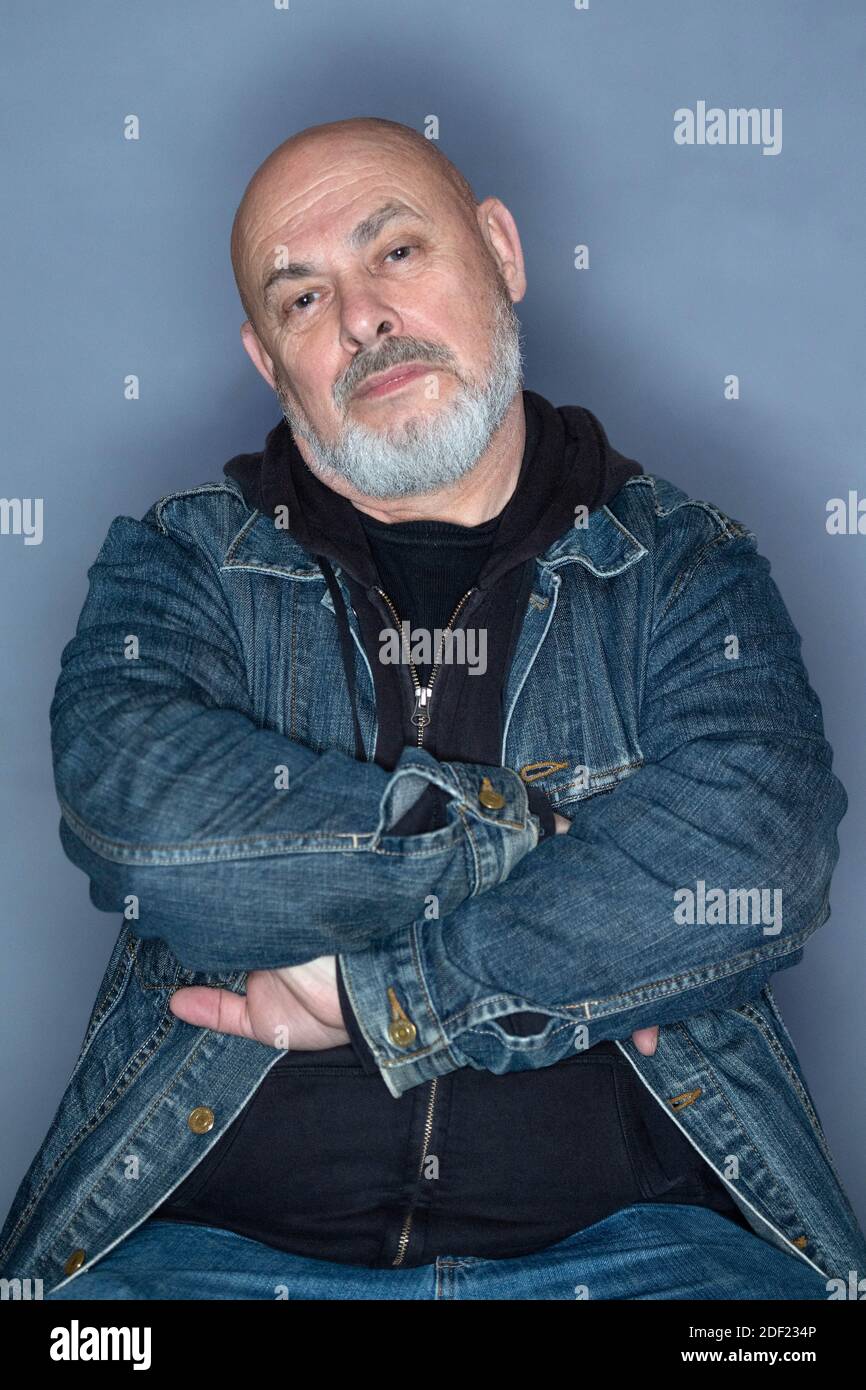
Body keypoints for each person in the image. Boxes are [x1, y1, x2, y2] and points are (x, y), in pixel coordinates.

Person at [3, 117, 863, 1301]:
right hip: (210, 1257)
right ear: (268, 359)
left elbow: (756, 854)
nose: (361, 319)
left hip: (646, 1259)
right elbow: (149, 825)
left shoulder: (681, 566)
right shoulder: (181, 561)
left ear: (500, 253)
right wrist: (547, 846)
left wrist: (380, 997)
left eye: (395, 253)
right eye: (302, 299)